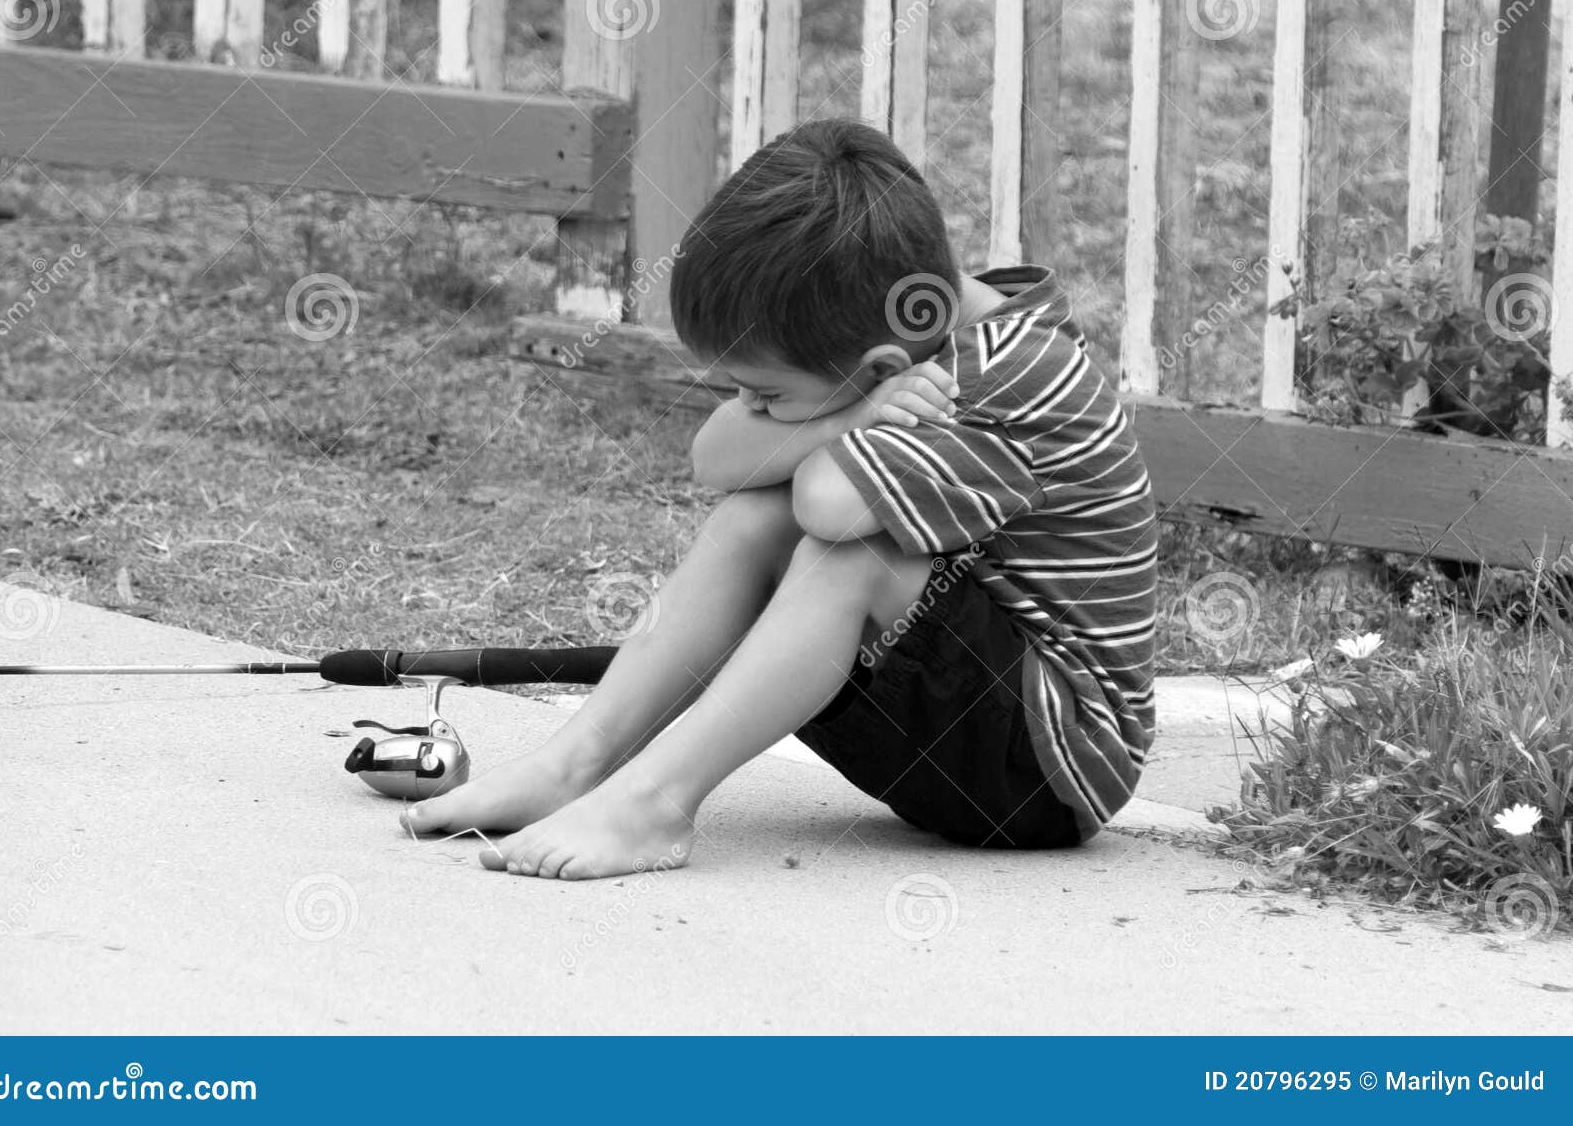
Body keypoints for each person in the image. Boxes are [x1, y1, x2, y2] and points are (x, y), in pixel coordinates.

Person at [405, 118, 1157, 879]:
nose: (747, 405)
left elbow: (829, 506)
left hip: (1045, 770)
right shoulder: (911, 333)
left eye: (765, 392)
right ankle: (575, 763)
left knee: (847, 555)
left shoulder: (1000, 376)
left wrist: (839, 422)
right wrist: (854, 413)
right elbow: (715, 458)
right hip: (969, 724)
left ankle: (654, 805)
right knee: (752, 512)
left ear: (883, 366)